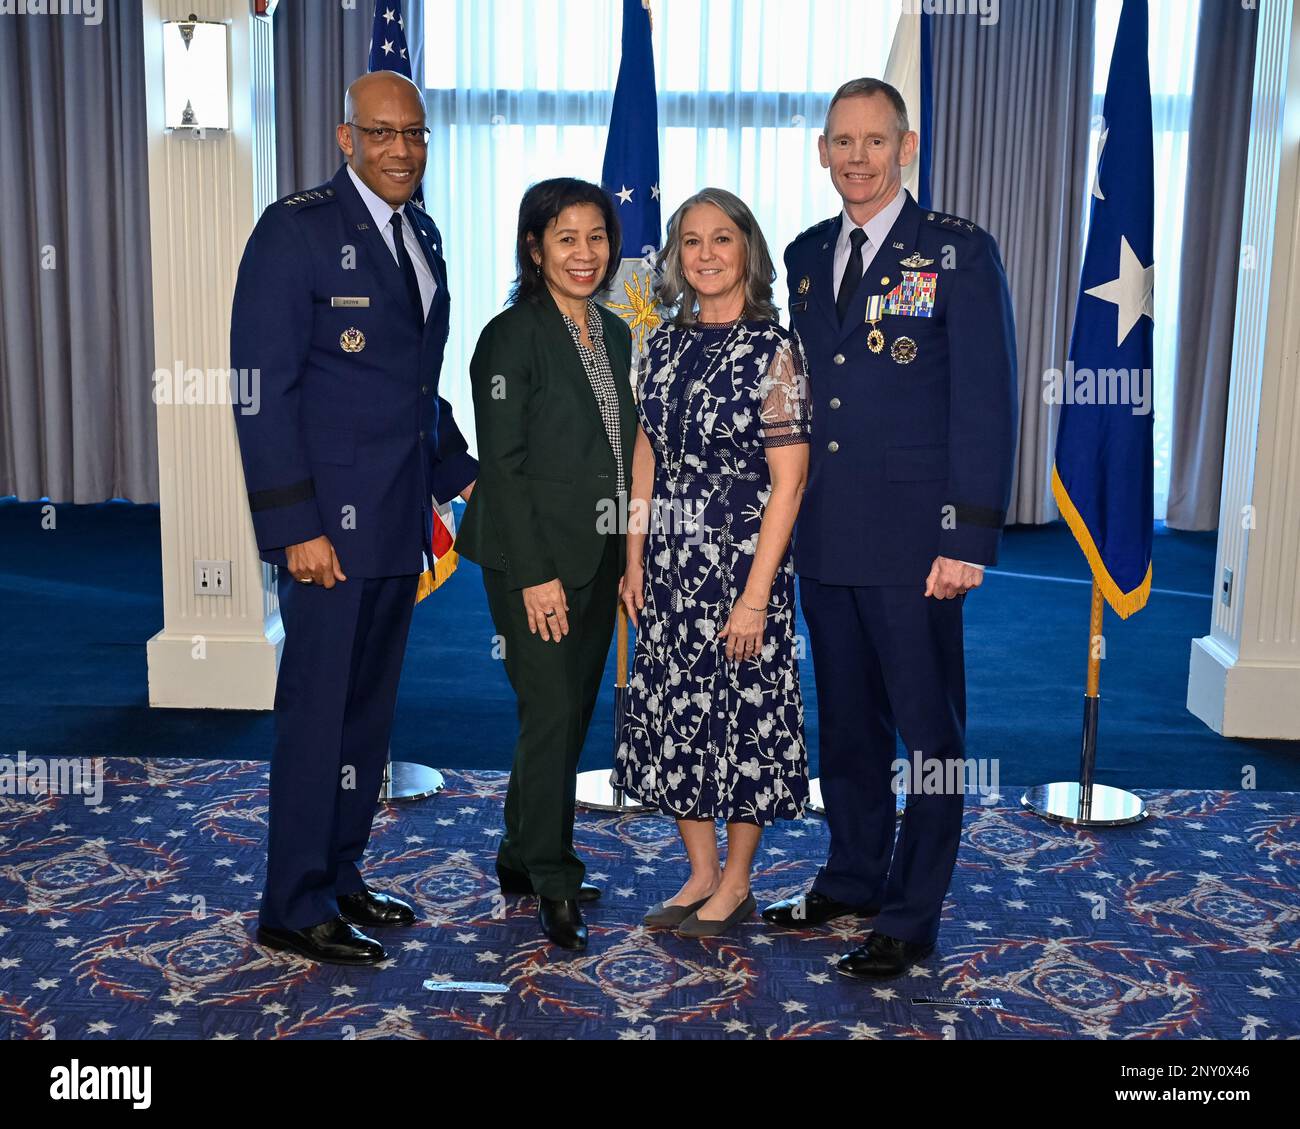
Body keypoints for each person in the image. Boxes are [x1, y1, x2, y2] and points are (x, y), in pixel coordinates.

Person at [762, 78, 1017, 977]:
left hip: (918, 541)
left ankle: (910, 913)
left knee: (930, 736)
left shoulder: (956, 252)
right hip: (826, 536)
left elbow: (986, 403)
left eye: (876, 141)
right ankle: (854, 872)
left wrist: (966, 539)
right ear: (822, 151)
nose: (858, 159)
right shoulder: (801, 255)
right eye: (843, 142)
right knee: (849, 727)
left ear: (906, 148)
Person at [230, 71, 477, 966]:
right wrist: (294, 525)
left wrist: (466, 478)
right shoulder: (294, 233)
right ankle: (291, 901)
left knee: (366, 715)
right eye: (382, 134)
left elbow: (415, 389)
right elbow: (261, 393)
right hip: (326, 531)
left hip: (394, 521)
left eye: (414, 133)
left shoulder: (425, 234)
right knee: (317, 712)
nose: (402, 150)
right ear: (346, 138)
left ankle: (339, 873)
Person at [613, 188, 811, 937]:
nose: (705, 255)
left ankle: (736, 881)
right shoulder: (659, 342)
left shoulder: (775, 348)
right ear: (675, 258)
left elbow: (789, 480)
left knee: (743, 722)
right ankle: (697, 872)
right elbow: (645, 456)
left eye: (721, 239)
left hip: (741, 568)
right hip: (666, 565)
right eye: (690, 242)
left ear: (747, 251)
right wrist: (633, 559)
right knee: (675, 717)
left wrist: (756, 597)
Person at [456, 178, 636, 951]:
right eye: (566, 238)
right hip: (531, 557)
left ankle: (518, 852)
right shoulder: (509, 336)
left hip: (595, 551)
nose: (584, 253)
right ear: (535, 247)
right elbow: (502, 464)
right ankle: (553, 878)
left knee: (562, 710)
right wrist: (535, 575)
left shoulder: (614, 332)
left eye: (596, 237)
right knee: (553, 710)